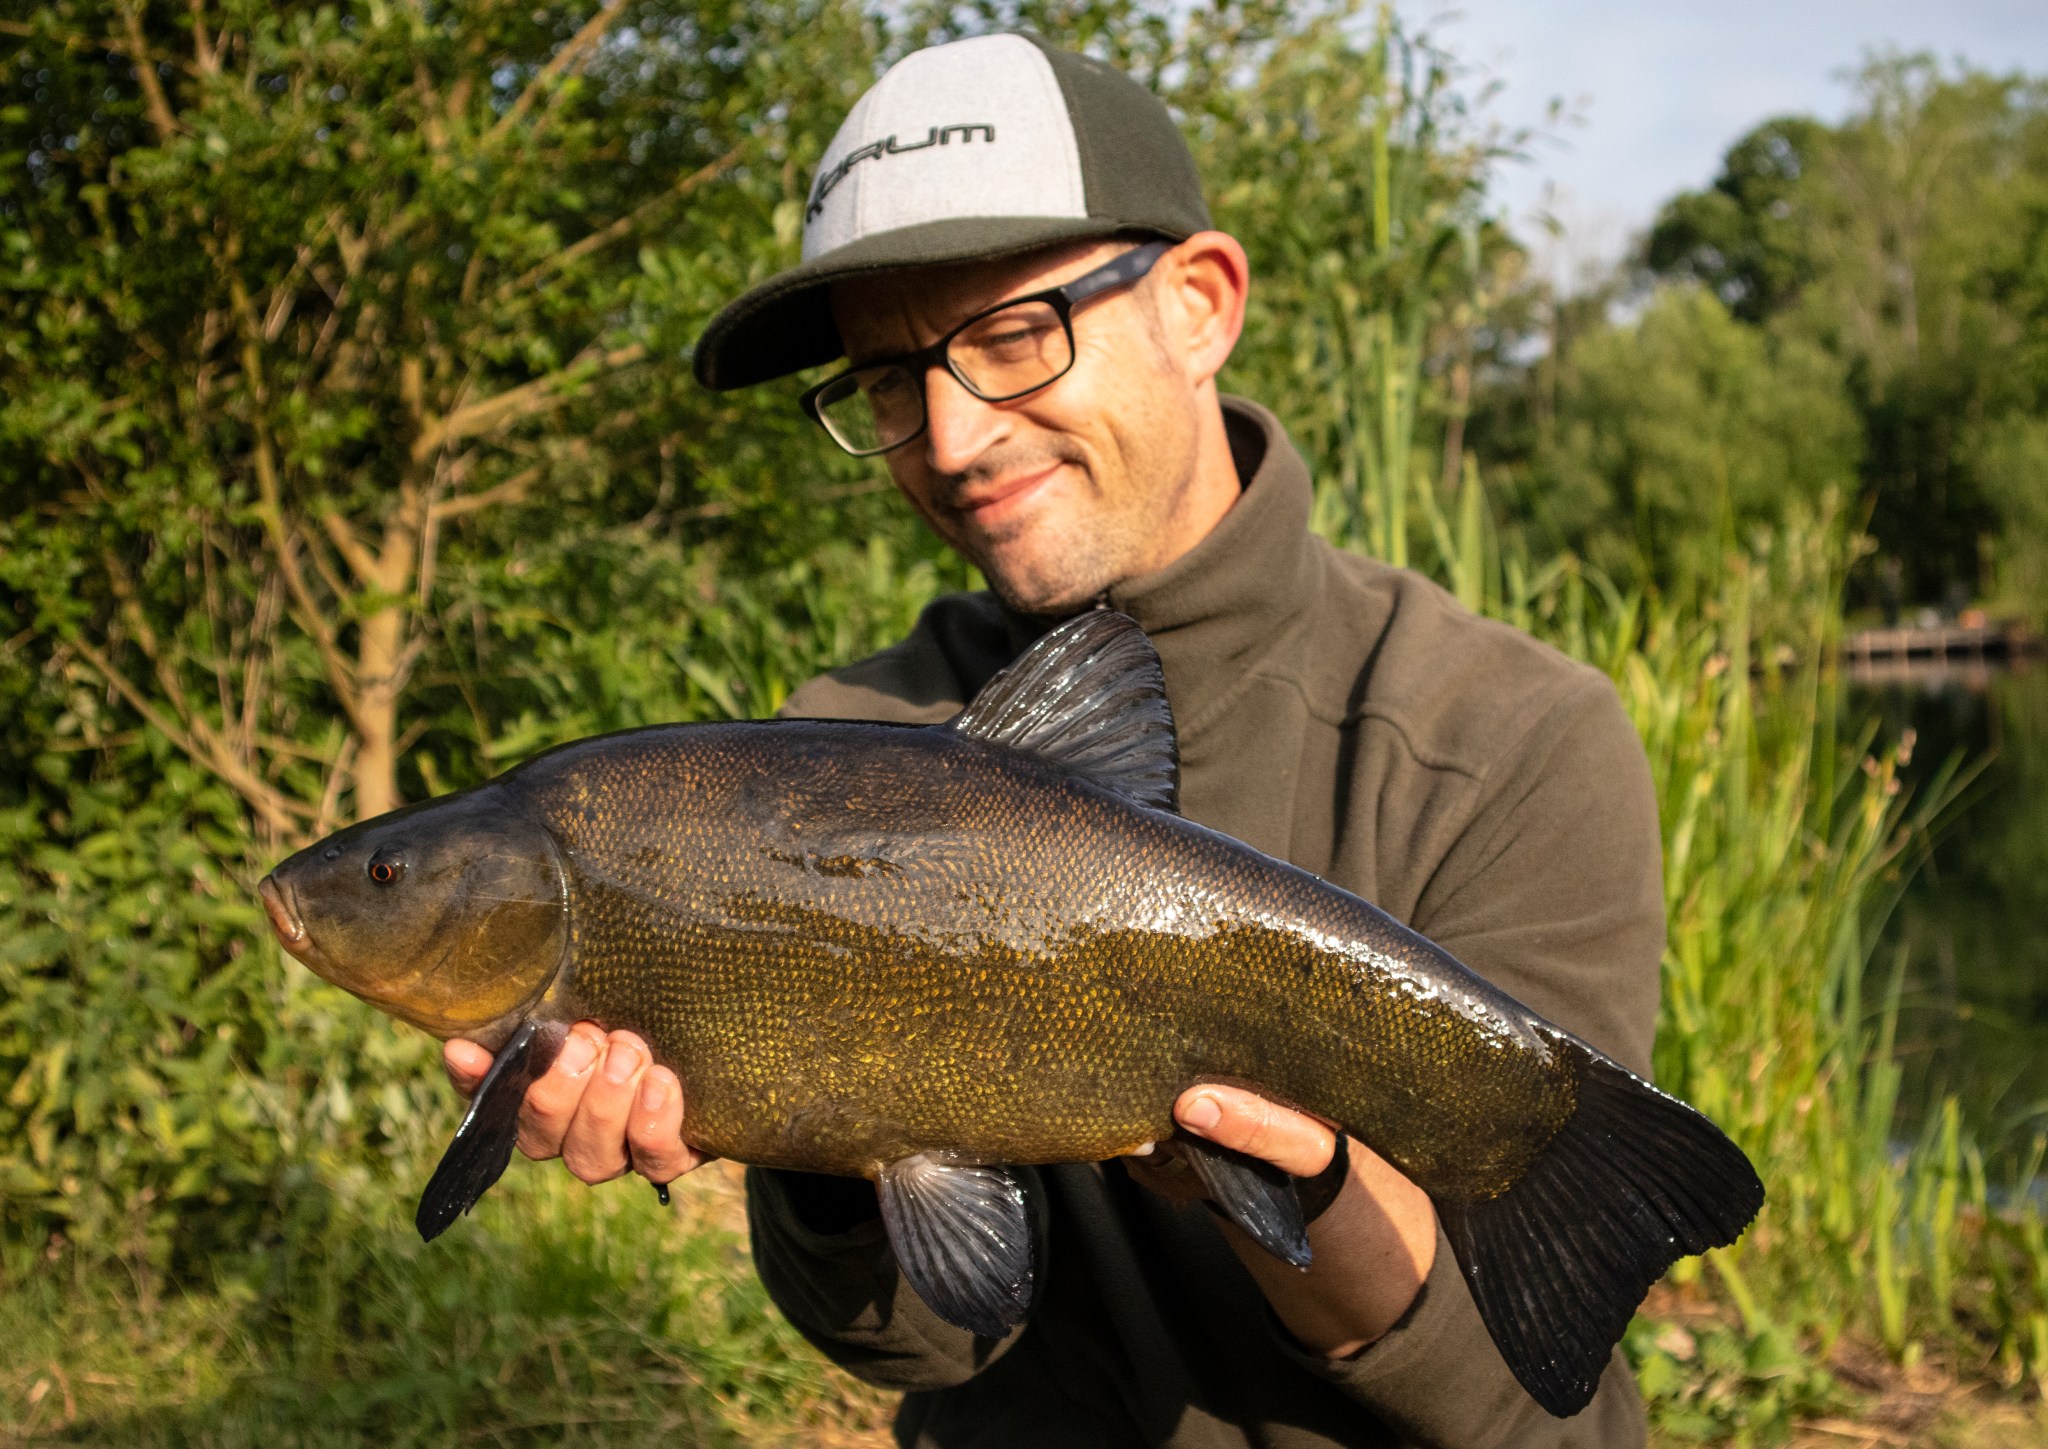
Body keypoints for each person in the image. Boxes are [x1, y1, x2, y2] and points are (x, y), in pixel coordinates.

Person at [444, 33, 1665, 1447]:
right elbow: (919, 1341)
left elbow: (1517, 1404)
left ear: (1200, 306)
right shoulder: (842, 751)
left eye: (1015, 336)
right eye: (888, 378)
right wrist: (810, 1133)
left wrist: (1303, 1185)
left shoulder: (1507, 736)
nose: (952, 437)